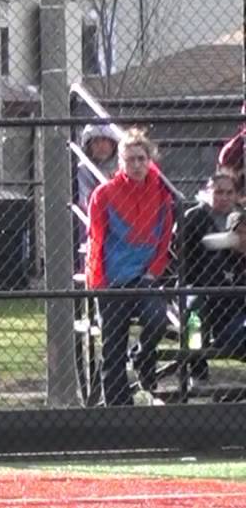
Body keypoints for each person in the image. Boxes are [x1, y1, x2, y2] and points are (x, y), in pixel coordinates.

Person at [86, 128, 176, 406]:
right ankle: (116, 406)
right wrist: (98, 281)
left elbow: (164, 239)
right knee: (112, 345)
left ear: (150, 159)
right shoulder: (104, 194)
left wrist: (154, 270)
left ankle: (141, 357)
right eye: (129, 159)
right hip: (111, 279)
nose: (136, 165)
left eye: (141, 158)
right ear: (120, 162)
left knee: (158, 319)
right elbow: (96, 239)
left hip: (144, 277)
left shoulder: (162, 193)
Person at [177, 171, 244, 374]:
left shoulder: (241, 217)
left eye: (229, 193)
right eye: (218, 192)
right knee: (195, 308)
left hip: (234, 280)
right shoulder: (194, 217)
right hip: (196, 281)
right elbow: (183, 257)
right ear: (208, 193)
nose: (224, 198)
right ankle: (196, 358)